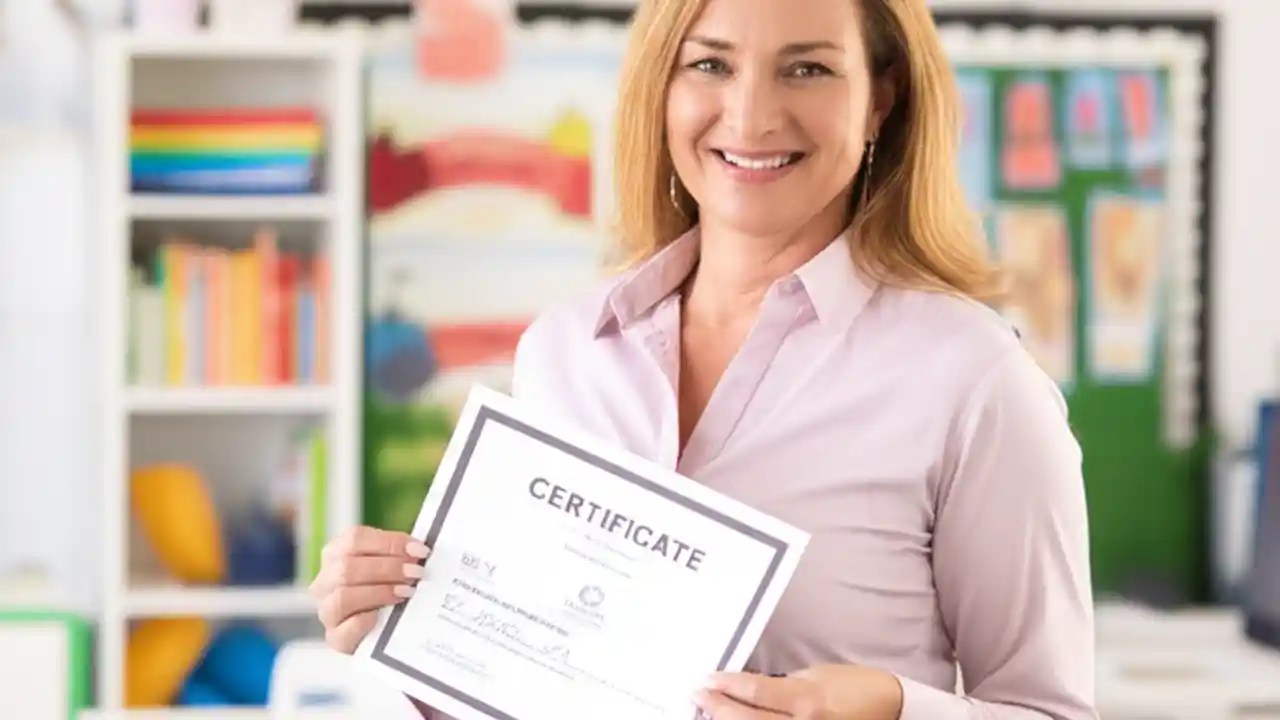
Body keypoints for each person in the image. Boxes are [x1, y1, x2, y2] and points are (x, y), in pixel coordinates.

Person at [309, 0, 1099, 717]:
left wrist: (890, 709)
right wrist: (401, 629)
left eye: (808, 68)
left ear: (880, 101)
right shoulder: (565, 353)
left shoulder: (976, 382)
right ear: (662, 89)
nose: (751, 114)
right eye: (710, 63)